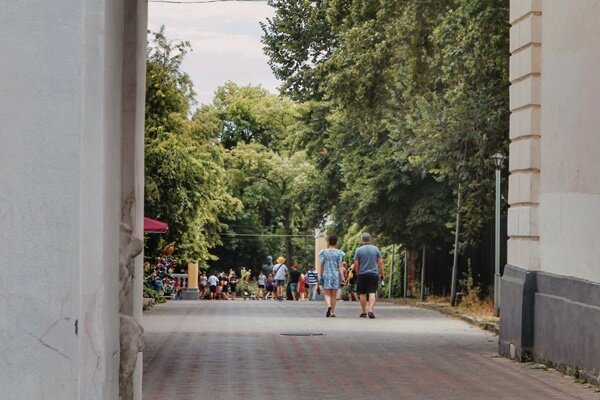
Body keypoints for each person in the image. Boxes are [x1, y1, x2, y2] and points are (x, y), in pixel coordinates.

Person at [353, 232, 384, 319]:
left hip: (362, 274)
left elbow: (356, 264)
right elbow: (380, 263)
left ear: (362, 240)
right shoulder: (376, 249)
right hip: (374, 274)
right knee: (372, 293)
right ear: (370, 239)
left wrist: (357, 273)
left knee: (362, 293)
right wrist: (382, 274)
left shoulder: (358, 250)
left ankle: (363, 312)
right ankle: (370, 310)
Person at [319, 235, 345, 317]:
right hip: (335, 275)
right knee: (334, 294)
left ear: (328, 242)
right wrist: (343, 277)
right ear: (336, 243)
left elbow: (322, 264)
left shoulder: (324, 252)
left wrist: (321, 275)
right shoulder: (339, 253)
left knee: (327, 293)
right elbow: (340, 266)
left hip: (326, 274)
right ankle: (332, 312)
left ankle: (329, 306)